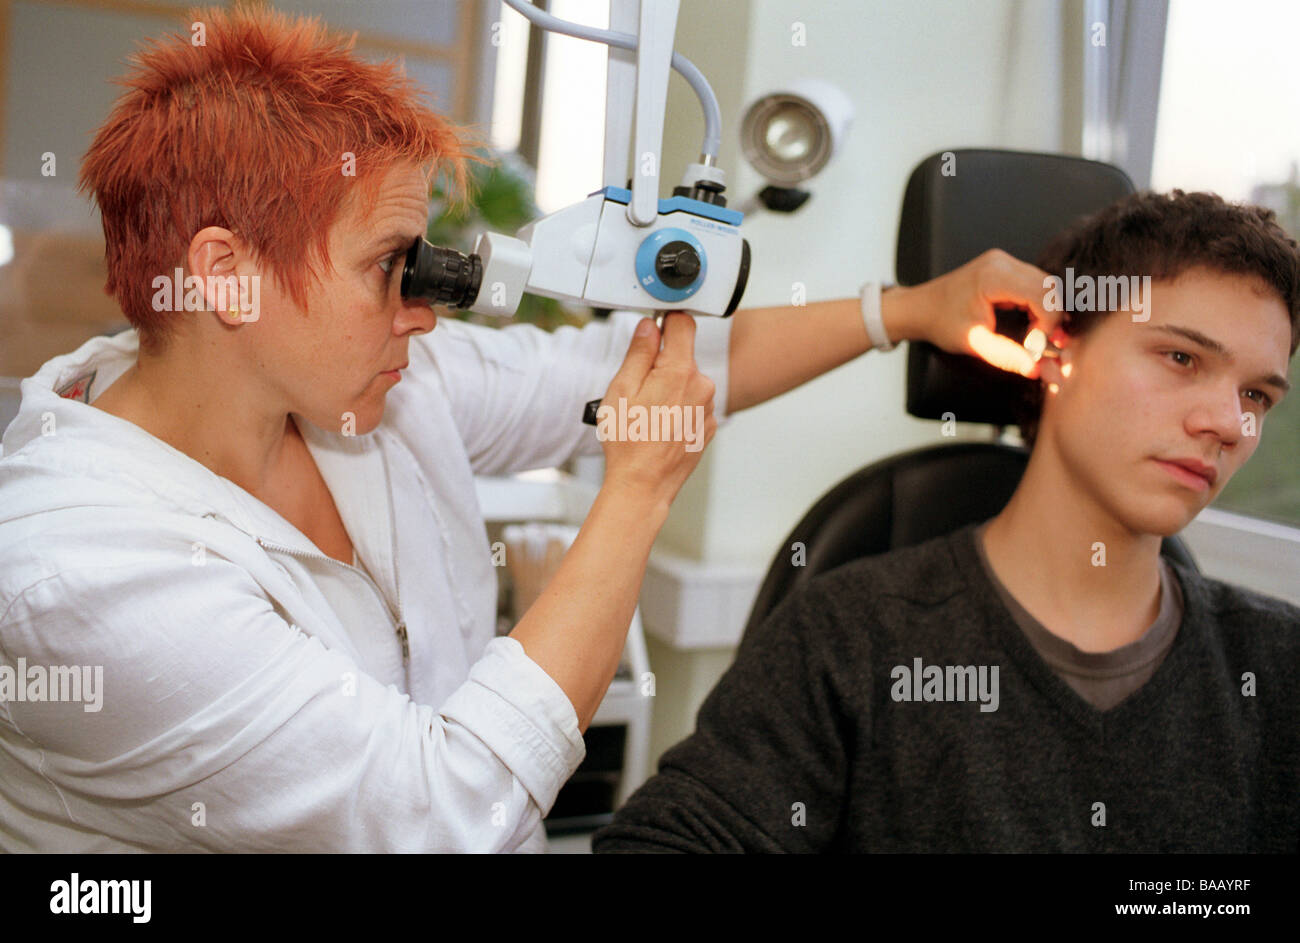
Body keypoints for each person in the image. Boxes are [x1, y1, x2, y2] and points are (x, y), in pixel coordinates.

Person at [0, 5, 1056, 852]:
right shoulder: (77, 576)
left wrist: (908, 309)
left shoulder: (375, 390)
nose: (424, 305)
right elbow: (441, 811)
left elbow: (603, 372)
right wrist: (637, 491)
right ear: (226, 276)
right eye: (389, 267)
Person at [593, 189, 1300, 853]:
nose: (1227, 424)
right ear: (1056, 351)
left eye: (1257, 395)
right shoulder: (851, 637)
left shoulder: (1277, 664)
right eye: (1180, 357)